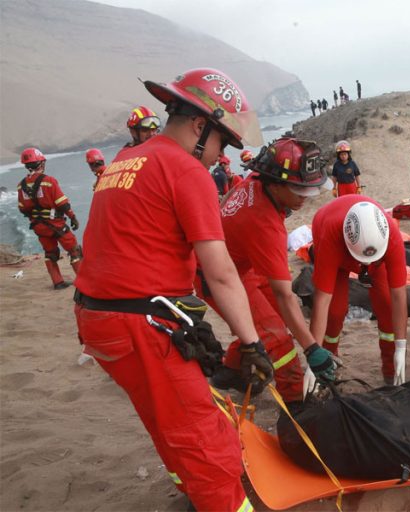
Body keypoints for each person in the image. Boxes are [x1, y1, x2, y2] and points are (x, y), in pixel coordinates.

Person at [73, 67, 270, 511]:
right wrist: (252, 343)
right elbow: (220, 273)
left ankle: (192, 493)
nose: (219, 156)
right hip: (140, 326)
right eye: (222, 143)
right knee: (206, 441)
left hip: (98, 320)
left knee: (166, 420)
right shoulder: (185, 170)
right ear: (200, 126)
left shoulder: (125, 161)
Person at [197, 137, 336, 404]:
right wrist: (312, 349)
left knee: (269, 321)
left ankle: (231, 370)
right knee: (277, 337)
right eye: (299, 191)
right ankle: (295, 402)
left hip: (241, 262)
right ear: (275, 183)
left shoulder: (257, 181)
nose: (304, 198)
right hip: (218, 276)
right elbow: (284, 295)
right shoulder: (264, 223)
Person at [310, 196, 409, 385]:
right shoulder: (330, 235)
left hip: (371, 252)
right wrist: (313, 357)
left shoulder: (391, 236)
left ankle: (390, 370)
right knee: (334, 312)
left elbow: (399, 296)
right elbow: (322, 301)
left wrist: (401, 347)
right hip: (333, 241)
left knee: (387, 306)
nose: (367, 264)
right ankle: (328, 361)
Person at [17, 147, 81, 290]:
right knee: (74, 250)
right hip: (56, 224)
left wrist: (36, 216)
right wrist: (73, 217)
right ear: (40, 163)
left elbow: (22, 208)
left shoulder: (21, 186)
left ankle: (58, 282)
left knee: (50, 252)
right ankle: (83, 280)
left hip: (39, 227)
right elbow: (62, 204)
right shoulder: (49, 181)